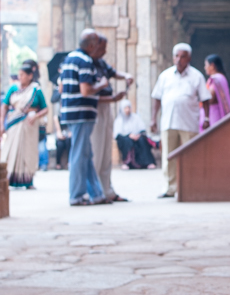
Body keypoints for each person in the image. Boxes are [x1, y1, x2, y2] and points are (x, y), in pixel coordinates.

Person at [55, 30, 112, 206]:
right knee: (79, 154)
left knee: (86, 153)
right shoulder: (86, 61)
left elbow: (62, 88)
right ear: (91, 45)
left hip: (71, 111)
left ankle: (96, 194)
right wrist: (101, 84)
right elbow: (86, 90)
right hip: (82, 112)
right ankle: (77, 195)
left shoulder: (69, 59)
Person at [150, 42, 207, 199]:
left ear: (188, 58)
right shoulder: (165, 76)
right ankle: (170, 187)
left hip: (189, 122)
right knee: (168, 155)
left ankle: (192, 185)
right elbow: (157, 97)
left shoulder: (197, 76)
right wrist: (153, 119)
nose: (179, 59)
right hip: (168, 121)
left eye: (183, 56)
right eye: (177, 56)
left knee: (191, 154)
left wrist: (206, 118)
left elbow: (205, 98)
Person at [89, 46, 132, 204]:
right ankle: (95, 191)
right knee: (96, 151)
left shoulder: (100, 63)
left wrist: (126, 76)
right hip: (95, 109)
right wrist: (112, 98)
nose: (104, 51)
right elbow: (87, 92)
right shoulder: (86, 64)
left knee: (106, 151)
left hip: (106, 107)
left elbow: (113, 72)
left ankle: (106, 189)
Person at [1, 60, 46, 188]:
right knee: (11, 151)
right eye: (19, 75)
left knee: (28, 153)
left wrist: (36, 115)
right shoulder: (13, 88)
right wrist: (1, 123)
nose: (20, 77)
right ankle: (10, 178)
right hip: (14, 123)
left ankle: (28, 180)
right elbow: (4, 106)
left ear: (30, 76)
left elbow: (45, 108)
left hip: (29, 126)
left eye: (23, 75)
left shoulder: (36, 89)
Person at [114, 100, 156, 169]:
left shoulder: (136, 117)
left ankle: (148, 162)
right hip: (125, 139)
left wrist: (138, 135)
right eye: (125, 108)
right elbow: (117, 134)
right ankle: (127, 163)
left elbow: (142, 129)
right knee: (127, 141)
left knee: (142, 140)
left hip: (137, 137)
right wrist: (129, 135)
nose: (127, 110)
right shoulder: (119, 120)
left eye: (129, 108)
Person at [200, 54, 230, 131]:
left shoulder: (216, 79)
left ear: (212, 65)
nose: (205, 68)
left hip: (214, 115)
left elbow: (210, 98)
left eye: (206, 65)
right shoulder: (221, 78)